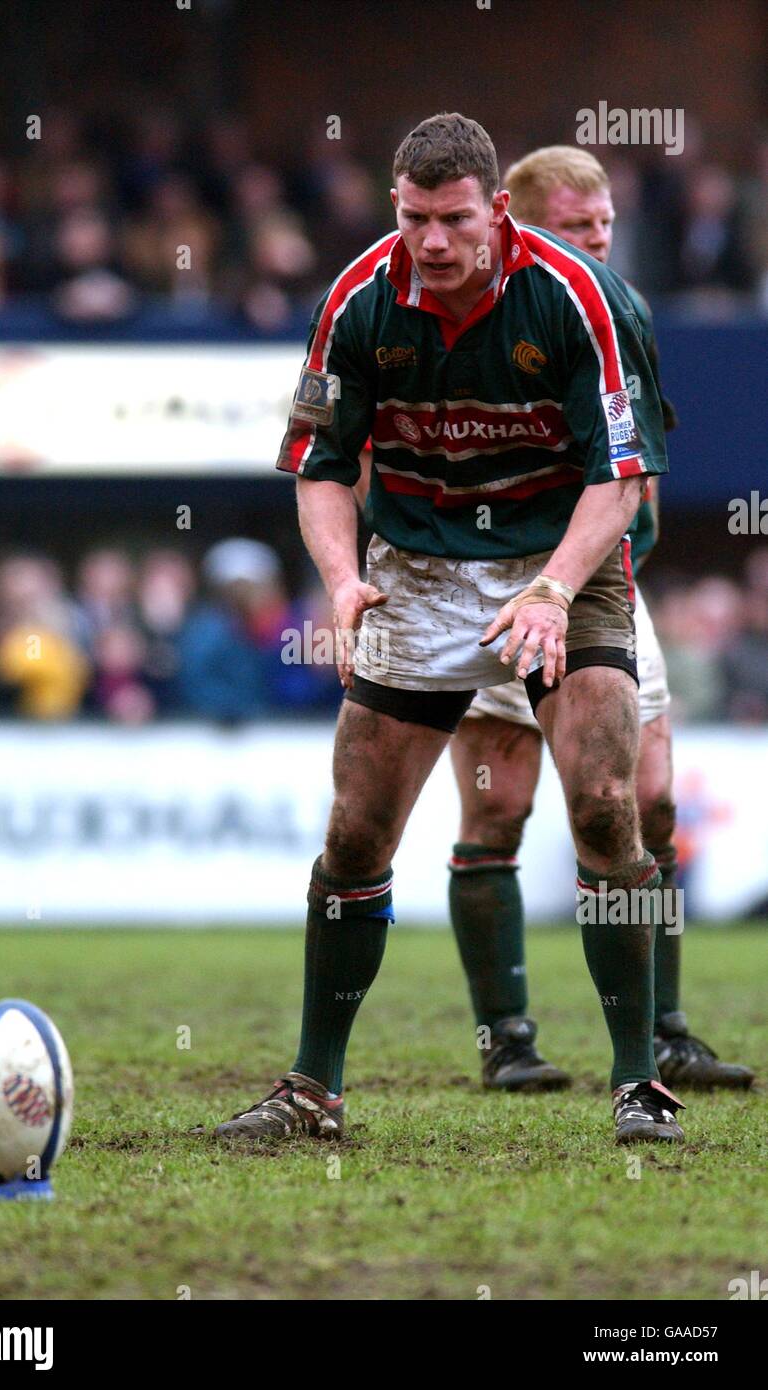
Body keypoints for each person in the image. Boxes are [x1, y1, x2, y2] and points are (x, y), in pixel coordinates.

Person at [212, 112, 683, 1147]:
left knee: (607, 809)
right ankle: (313, 1089)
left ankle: (638, 1080)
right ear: (396, 207)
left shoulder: (578, 297)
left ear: (495, 212)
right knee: (353, 833)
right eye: (413, 216)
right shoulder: (356, 299)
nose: (431, 241)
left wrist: (555, 590)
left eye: (453, 219)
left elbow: (619, 477)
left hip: (560, 562)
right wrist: (339, 579)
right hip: (417, 575)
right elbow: (321, 464)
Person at [432, 146, 753, 1093]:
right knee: (497, 807)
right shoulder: (497, 324)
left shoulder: (625, 317)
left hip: (606, 587)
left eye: (606, 223)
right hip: (494, 590)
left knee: (646, 806)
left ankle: (665, 1032)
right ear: (521, 229)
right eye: (578, 228)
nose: (599, 240)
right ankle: (506, 1038)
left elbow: (639, 470)